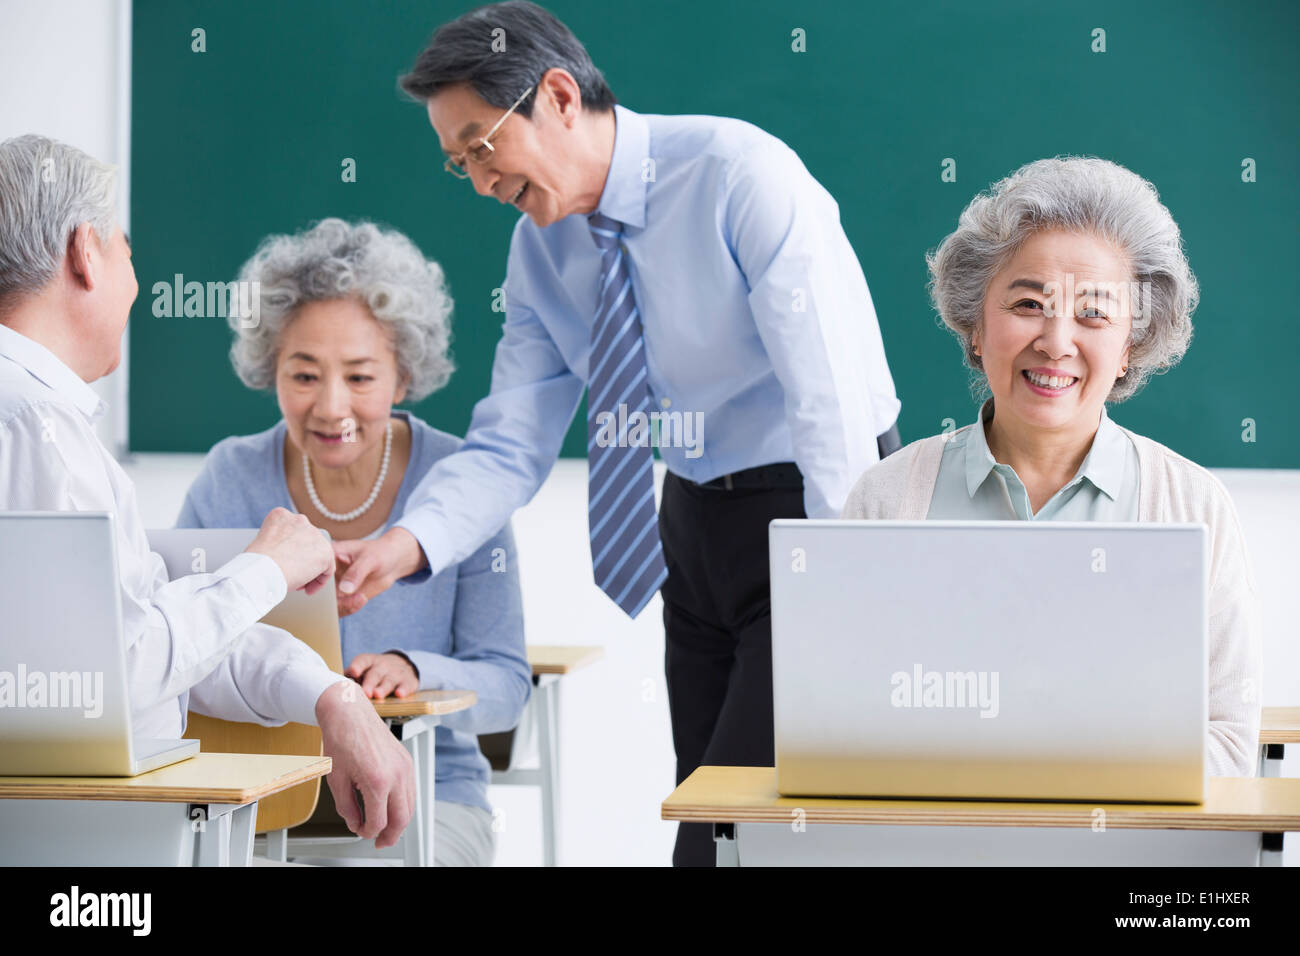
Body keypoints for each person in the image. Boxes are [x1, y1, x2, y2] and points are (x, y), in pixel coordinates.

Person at [330, 0, 902, 866]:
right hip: (695, 524)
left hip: (815, 510)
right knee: (709, 804)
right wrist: (408, 542)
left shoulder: (738, 174)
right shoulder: (541, 252)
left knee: (732, 831)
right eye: (459, 166)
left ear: (558, 95)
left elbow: (830, 402)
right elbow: (511, 440)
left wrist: (844, 578)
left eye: (483, 146)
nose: (482, 184)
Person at [0, 134, 417, 846]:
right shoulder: (33, 424)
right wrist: (267, 570)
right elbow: (104, 681)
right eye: (126, 248)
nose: (136, 278)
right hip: (90, 848)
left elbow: (166, 638)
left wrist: (329, 692)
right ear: (84, 252)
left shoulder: (42, 418)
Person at [842, 156, 1261, 775]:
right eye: (1029, 304)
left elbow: (1227, 745)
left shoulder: (1194, 508)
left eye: (1093, 313)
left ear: (1129, 348)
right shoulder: (887, 497)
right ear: (976, 327)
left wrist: (1045, 754)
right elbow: (838, 727)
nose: (1057, 341)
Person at [176, 218, 530, 866]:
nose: (331, 407)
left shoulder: (459, 488)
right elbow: (176, 652)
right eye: (304, 375)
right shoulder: (230, 476)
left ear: (403, 376)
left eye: (361, 378)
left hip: (425, 798)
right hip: (252, 796)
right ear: (270, 369)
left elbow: (508, 689)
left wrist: (418, 671)